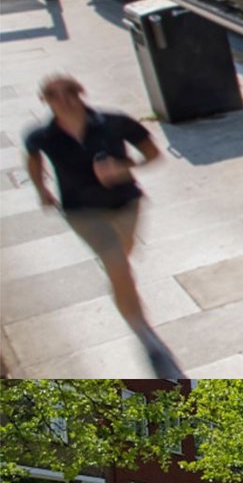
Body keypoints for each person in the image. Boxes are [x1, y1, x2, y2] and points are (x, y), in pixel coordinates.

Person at [24, 74, 183, 379]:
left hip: (126, 204)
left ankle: (119, 282)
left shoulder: (114, 123)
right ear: (45, 101)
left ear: (80, 93)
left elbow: (153, 155)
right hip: (82, 212)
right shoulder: (41, 136)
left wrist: (124, 167)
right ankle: (145, 335)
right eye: (54, 96)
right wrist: (41, 189)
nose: (64, 101)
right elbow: (32, 160)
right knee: (118, 265)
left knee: (123, 257)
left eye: (69, 93)